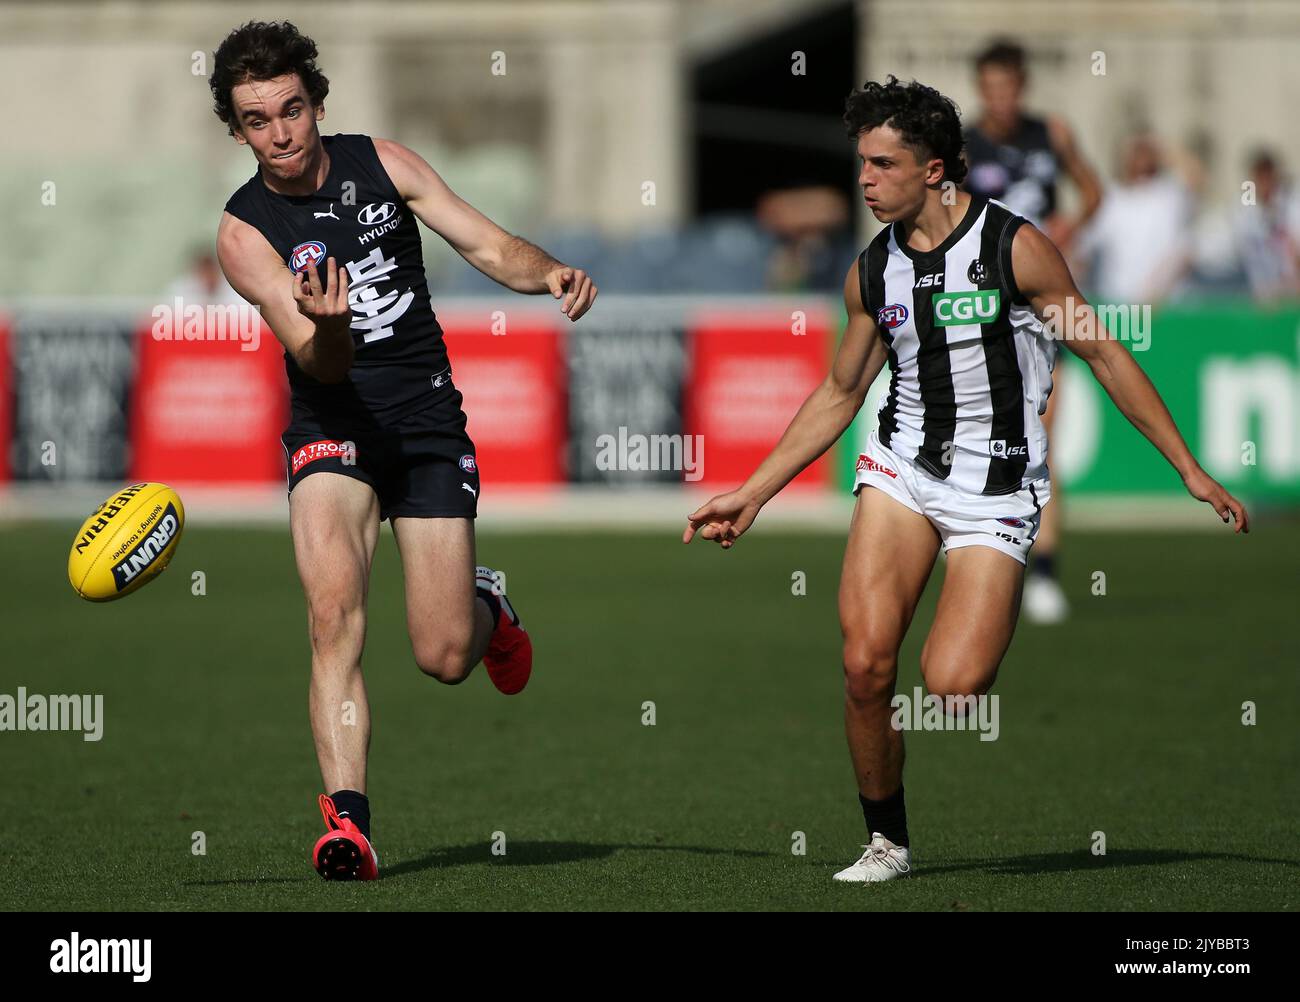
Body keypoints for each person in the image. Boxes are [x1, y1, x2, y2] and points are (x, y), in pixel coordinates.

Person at [683, 76, 1247, 883]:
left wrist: (1188, 467)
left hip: (999, 490)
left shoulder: (1015, 249)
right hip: (902, 469)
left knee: (952, 686)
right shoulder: (871, 272)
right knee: (865, 664)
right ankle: (887, 843)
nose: (867, 179)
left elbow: (1105, 352)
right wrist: (753, 491)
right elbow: (842, 392)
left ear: (937, 169)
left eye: (885, 164)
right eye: (862, 163)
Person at [210, 21, 597, 880]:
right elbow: (315, 359)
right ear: (236, 132)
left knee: (444, 656)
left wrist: (550, 273)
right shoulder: (245, 234)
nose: (279, 134)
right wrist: (333, 329)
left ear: (317, 104)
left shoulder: (383, 164)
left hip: (424, 425)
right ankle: (348, 823)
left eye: (292, 110)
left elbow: (489, 244)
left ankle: (485, 605)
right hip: (331, 426)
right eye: (257, 120)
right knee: (332, 616)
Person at [963, 39, 1104, 624]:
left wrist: (1065, 229)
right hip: (980, 306)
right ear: (981, 88)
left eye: (1008, 86)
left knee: (1039, 442)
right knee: (972, 440)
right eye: (990, 87)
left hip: (1044, 300)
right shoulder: (963, 144)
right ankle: (981, 568)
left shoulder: (1053, 133)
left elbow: (1093, 191)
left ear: (1021, 85)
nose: (1000, 97)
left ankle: (1044, 574)